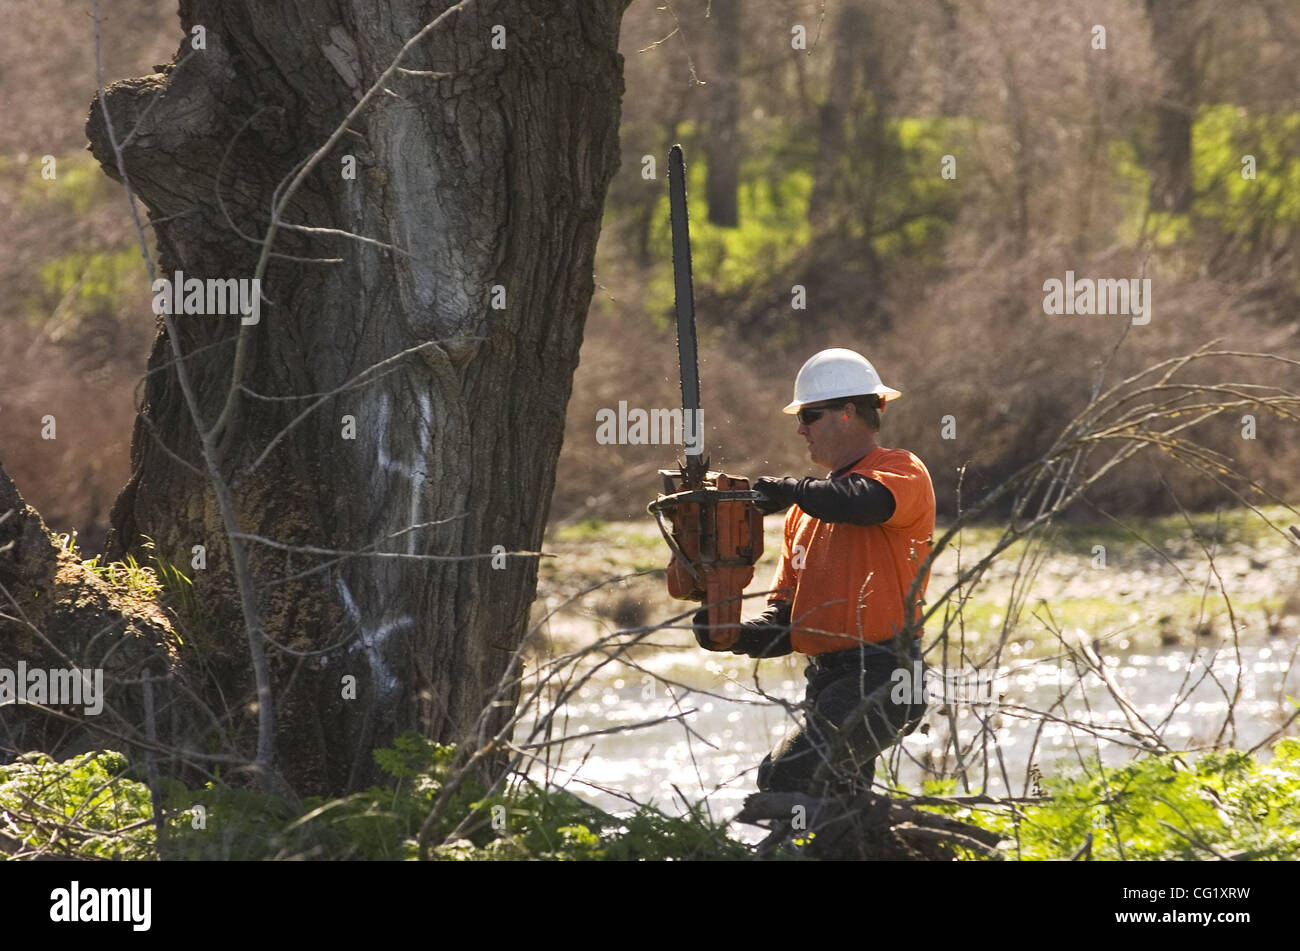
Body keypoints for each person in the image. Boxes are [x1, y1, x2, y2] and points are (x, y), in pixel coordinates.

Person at [693, 348, 935, 797]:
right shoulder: (802, 516)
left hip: (886, 675)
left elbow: (863, 502)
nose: (800, 429)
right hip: (828, 682)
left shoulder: (899, 469)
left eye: (809, 414)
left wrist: (791, 489)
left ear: (849, 412)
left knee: (789, 777)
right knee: (837, 800)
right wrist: (734, 635)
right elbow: (786, 621)